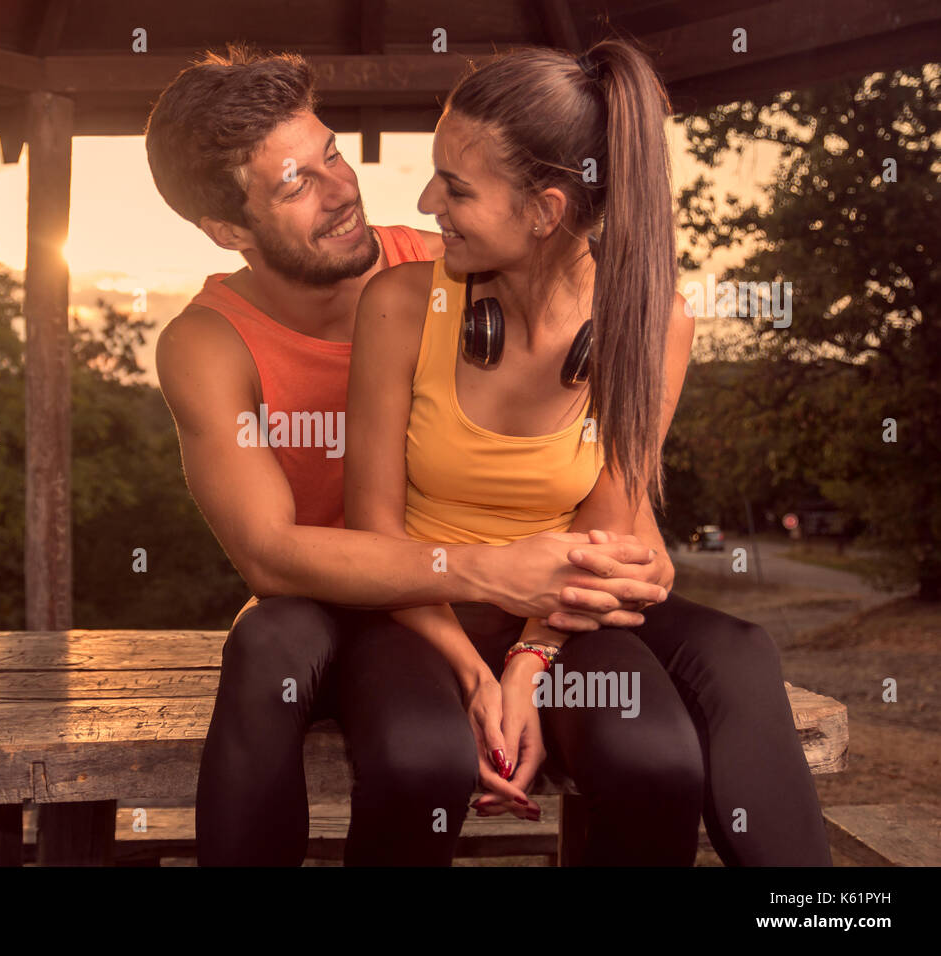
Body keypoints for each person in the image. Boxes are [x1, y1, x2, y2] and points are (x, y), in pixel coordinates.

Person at [145, 44, 673, 865]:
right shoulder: (207, 345)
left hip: (487, 602)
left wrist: (633, 543)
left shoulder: (443, 262)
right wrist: (483, 568)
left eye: (331, 156)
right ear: (226, 230)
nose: (340, 190)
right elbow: (272, 559)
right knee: (266, 642)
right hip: (337, 605)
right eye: (296, 185)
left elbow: (585, 428)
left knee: (679, 701)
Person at [345, 40, 833, 865]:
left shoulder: (654, 321)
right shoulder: (400, 301)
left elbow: (609, 521)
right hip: (421, 609)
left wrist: (530, 667)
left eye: (456, 186)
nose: (428, 201)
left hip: (561, 616)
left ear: (544, 209)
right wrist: (478, 680)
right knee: (411, 758)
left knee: (661, 753)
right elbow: (371, 525)